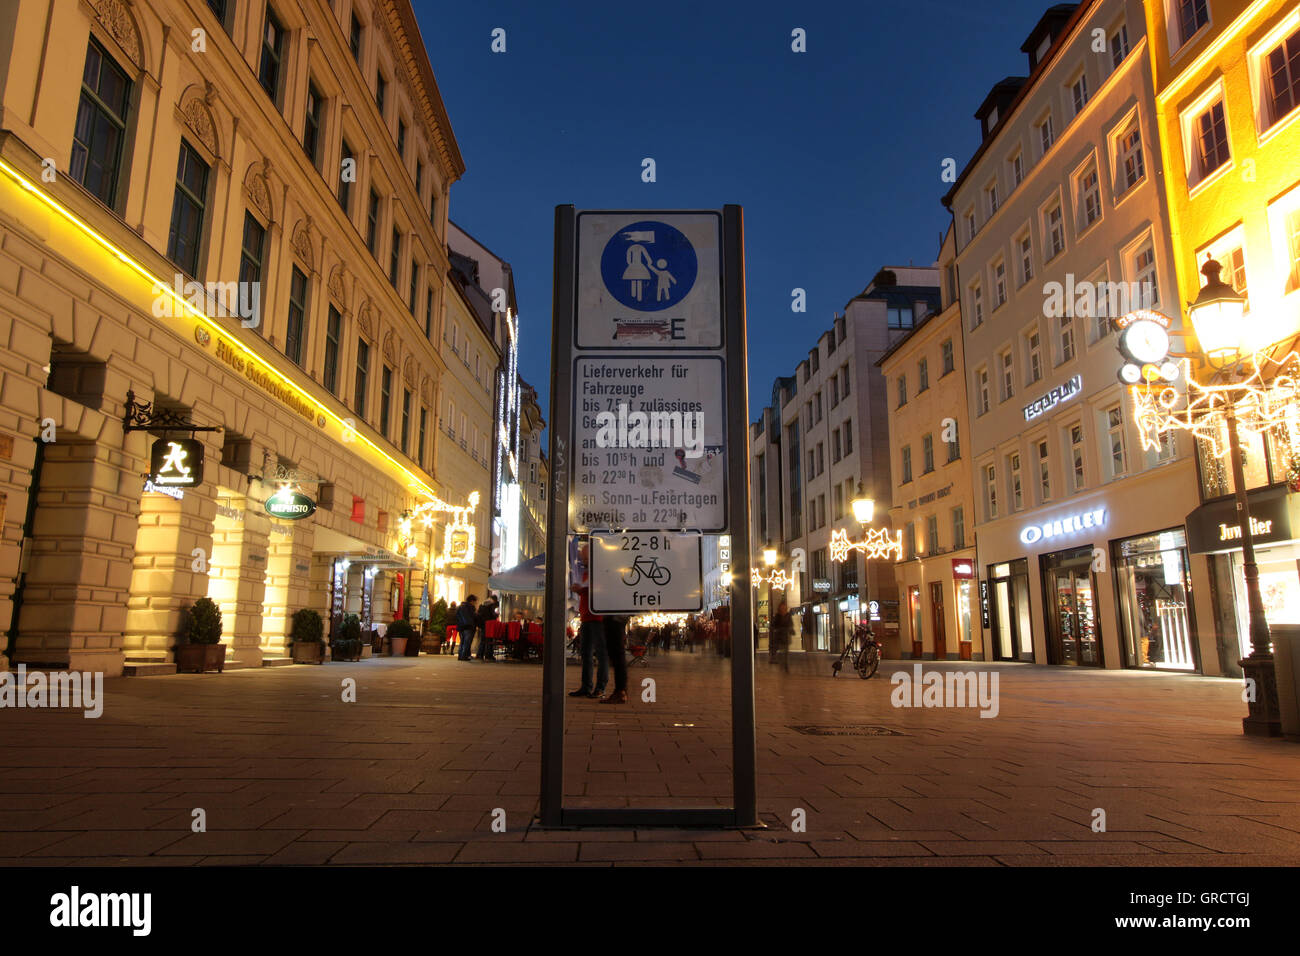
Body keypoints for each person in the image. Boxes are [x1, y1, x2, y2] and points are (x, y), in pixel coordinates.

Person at [600, 615, 630, 704]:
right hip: (616, 617)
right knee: (617, 655)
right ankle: (621, 690)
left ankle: (620, 692)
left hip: (614, 617)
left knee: (617, 654)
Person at [770, 601, 794, 673]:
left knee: (785, 652)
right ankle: (782, 664)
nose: (783, 608)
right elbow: (773, 625)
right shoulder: (777, 616)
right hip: (779, 637)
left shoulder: (788, 615)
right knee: (781, 651)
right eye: (782, 607)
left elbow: (790, 624)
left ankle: (785, 666)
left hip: (785, 636)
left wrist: (789, 629)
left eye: (784, 607)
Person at [476, 594, 500, 661]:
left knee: (483, 640)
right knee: (489, 640)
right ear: (494, 600)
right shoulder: (492, 605)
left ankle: (479, 655)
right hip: (489, 625)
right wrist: (496, 615)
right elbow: (493, 614)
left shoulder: (482, 604)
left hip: (483, 624)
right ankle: (488, 655)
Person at [456, 595, 479, 661]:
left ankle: (460, 655)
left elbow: (457, 617)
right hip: (469, 627)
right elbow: (474, 617)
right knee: (467, 642)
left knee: (462, 641)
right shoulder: (470, 607)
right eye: (475, 602)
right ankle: (464, 656)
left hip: (461, 627)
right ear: (472, 601)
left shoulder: (459, 607)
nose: (475, 603)